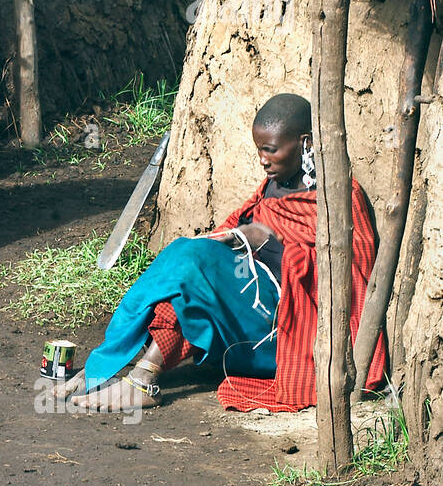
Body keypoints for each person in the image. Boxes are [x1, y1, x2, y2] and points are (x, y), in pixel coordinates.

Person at [64, 93, 387, 412]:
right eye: (259, 149)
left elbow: (350, 281)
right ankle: (121, 369)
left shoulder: (339, 197)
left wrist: (272, 242)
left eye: (270, 150)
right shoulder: (273, 186)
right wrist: (235, 238)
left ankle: (131, 376)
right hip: (247, 313)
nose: (263, 159)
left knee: (191, 262)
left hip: (287, 334)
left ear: (305, 144)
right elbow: (241, 227)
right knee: (185, 266)